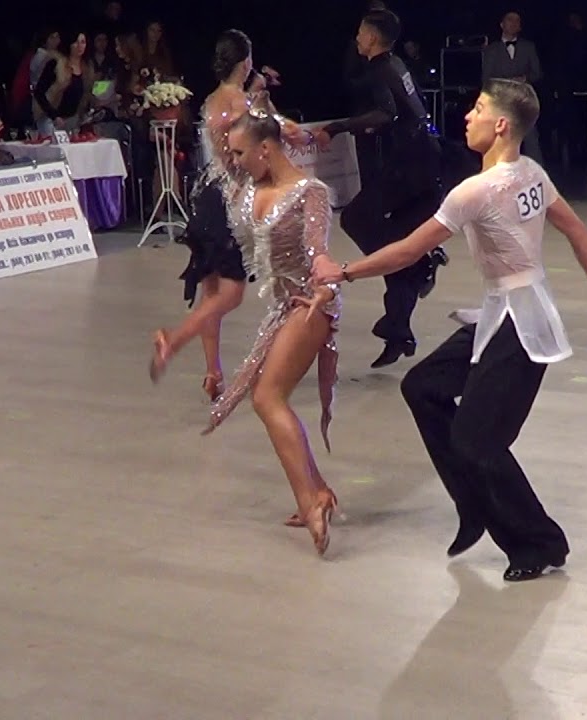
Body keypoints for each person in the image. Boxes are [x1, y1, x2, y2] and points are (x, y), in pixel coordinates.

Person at [313, 79, 587, 581]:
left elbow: (410, 251)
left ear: (501, 124)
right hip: (504, 311)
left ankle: (539, 543)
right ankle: (473, 503)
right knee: (423, 388)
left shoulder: (476, 191)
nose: (468, 116)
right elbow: (576, 230)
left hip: (521, 323)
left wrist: (344, 272)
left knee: (478, 442)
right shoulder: (532, 174)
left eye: (478, 109)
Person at [206, 107, 341, 556]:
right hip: (281, 307)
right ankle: (317, 491)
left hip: (310, 305)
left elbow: (318, 250)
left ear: (266, 149)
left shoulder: (311, 193)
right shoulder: (248, 185)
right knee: (266, 397)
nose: (237, 160)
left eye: (243, 152)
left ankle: (311, 502)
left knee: (267, 397)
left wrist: (324, 284)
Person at [148, 29, 309, 401]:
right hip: (227, 203)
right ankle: (172, 341)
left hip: (204, 196)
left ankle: (212, 372)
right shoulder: (243, 105)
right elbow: (285, 132)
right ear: (246, 62)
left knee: (212, 292)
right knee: (231, 294)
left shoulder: (213, 100)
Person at [314, 9, 447, 369]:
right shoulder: (398, 65)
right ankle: (398, 329)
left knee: (356, 219)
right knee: (398, 247)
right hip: (427, 165)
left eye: (360, 32)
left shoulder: (378, 70)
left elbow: (387, 113)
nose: (356, 37)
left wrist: (337, 127)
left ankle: (416, 266)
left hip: (411, 169)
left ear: (372, 38)